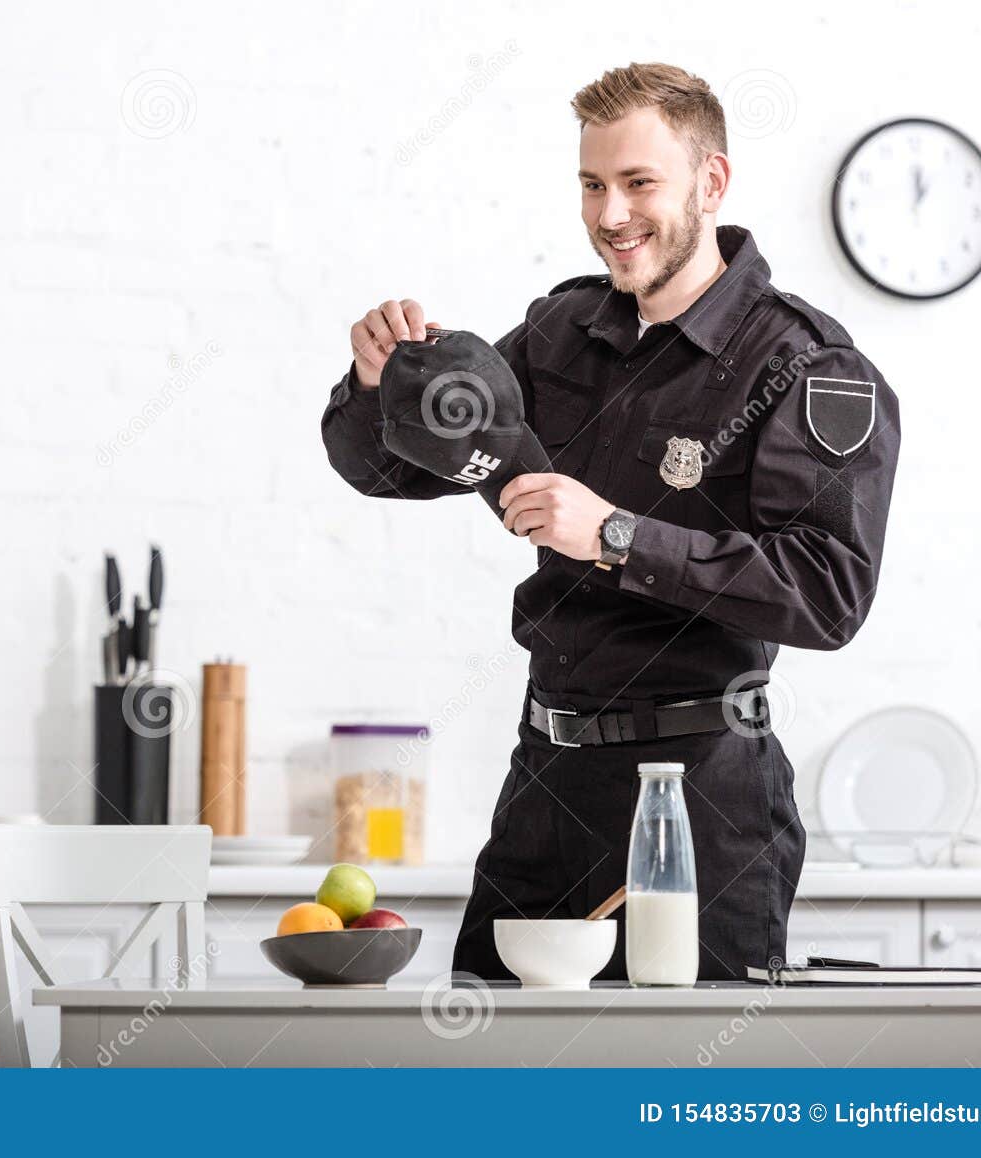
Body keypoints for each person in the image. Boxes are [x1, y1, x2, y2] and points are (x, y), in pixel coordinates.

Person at [318, 62, 901, 981]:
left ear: (711, 182)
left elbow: (828, 594)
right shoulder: (560, 333)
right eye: (592, 184)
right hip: (547, 784)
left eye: (638, 183)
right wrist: (372, 384)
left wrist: (618, 536)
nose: (611, 214)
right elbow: (388, 471)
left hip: (704, 798)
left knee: (685, 1070)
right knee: (487, 1051)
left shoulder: (806, 365)